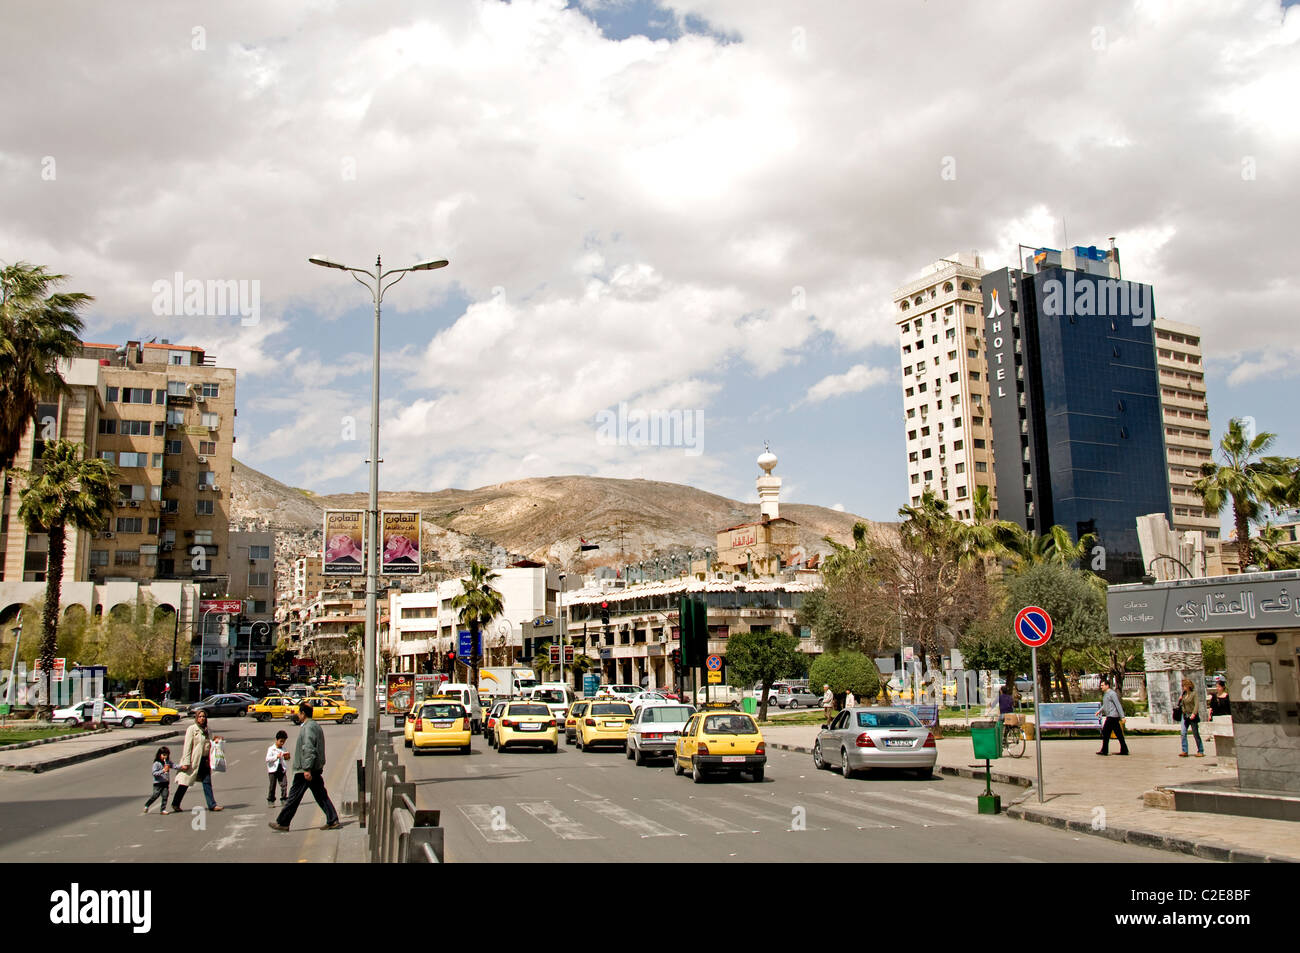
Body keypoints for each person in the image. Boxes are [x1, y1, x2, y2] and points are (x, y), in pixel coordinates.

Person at [269, 702, 340, 833]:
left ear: (303, 713)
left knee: (294, 797)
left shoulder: (308, 727)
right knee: (321, 795)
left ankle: (283, 822)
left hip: (306, 770)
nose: (297, 714)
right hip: (312, 768)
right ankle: (333, 820)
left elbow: (308, 748)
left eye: (299, 712)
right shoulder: (314, 726)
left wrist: (307, 769)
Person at [171, 709, 223, 812]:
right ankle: (175, 803)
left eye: (203, 716)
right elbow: (187, 746)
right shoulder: (192, 729)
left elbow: (210, 744)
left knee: (207, 782)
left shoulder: (208, 730)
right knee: (185, 782)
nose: (202, 718)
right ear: (196, 718)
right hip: (193, 760)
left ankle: (212, 805)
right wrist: (186, 762)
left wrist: (216, 742)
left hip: (204, 760)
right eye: (200, 716)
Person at [1096, 677, 1129, 756]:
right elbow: (1105, 705)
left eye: (1102, 685)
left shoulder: (1112, 694)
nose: (1101, 687)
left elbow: (1118, 705)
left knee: (1105, 732)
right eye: (1101, 685)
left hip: (1113, 716)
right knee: (1118, 733)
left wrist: (1122, 716)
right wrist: (1099, 711)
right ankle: (1124, 750)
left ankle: (1104, 750)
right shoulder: (1106, 694)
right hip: (1110, 716)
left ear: (1107, 686)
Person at [1178, 678, 1204, 757]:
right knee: (1183, 733)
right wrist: (1183, 709)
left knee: (1195, 734)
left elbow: (1196, 704)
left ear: (1188, 686)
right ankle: (1184, 750)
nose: (1183, 687)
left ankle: (1200, 750)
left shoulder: (1194, 693)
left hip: (1192, 716)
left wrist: (1194, 713)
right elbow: (1182, 705)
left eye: (1184, 686)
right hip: (1185, 716)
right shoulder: (1184, 694)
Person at [266, 729, 291, 806]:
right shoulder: (271, 749)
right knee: (272, 786)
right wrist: (276, 756)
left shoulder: (283, 749)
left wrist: (287, 757)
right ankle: (271, 800)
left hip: (281, 769)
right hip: (273, 770)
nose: (282, 743)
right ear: (277, 740)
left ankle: (283, 799)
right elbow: (267, 759)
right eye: (281, 741)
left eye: (284, 741)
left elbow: (286, 759)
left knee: (284, 784)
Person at [144, 746, 171, 815]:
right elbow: (154, 773)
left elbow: (173, 765)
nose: (165, 757)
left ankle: (163, 809)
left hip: (165, 782)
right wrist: (163, 770)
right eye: (163, 755)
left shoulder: (167, 762)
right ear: (159, 755)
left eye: (167, 755)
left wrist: (181, 767)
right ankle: (147, 805)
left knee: (165, 795)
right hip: (158, 783)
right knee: (155, 795)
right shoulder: (156, 763)